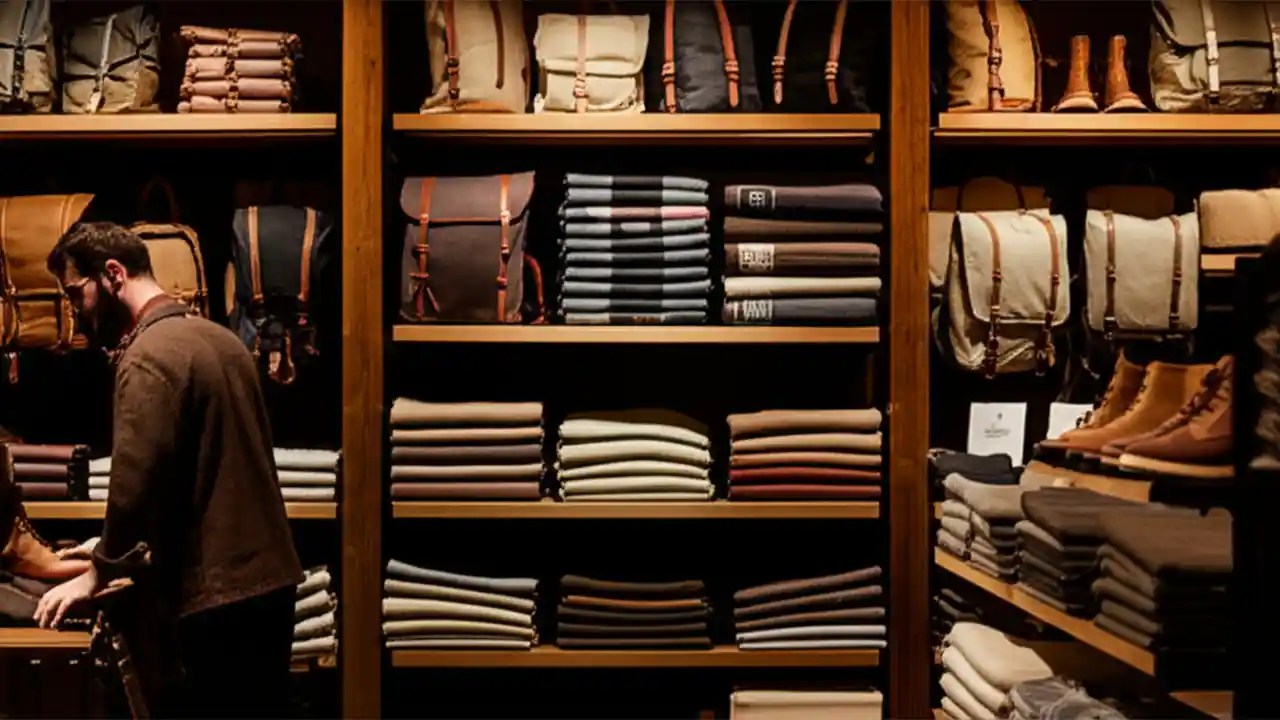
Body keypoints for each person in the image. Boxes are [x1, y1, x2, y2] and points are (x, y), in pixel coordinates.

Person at [34, 222, 304, 717]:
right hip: (269, 584)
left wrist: (101, 570)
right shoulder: (219, 341)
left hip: (212, 597)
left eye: (77, 294)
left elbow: (137, 482)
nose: (76, 313)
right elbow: (204, 470)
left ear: (112, 275)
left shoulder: (147, 357)